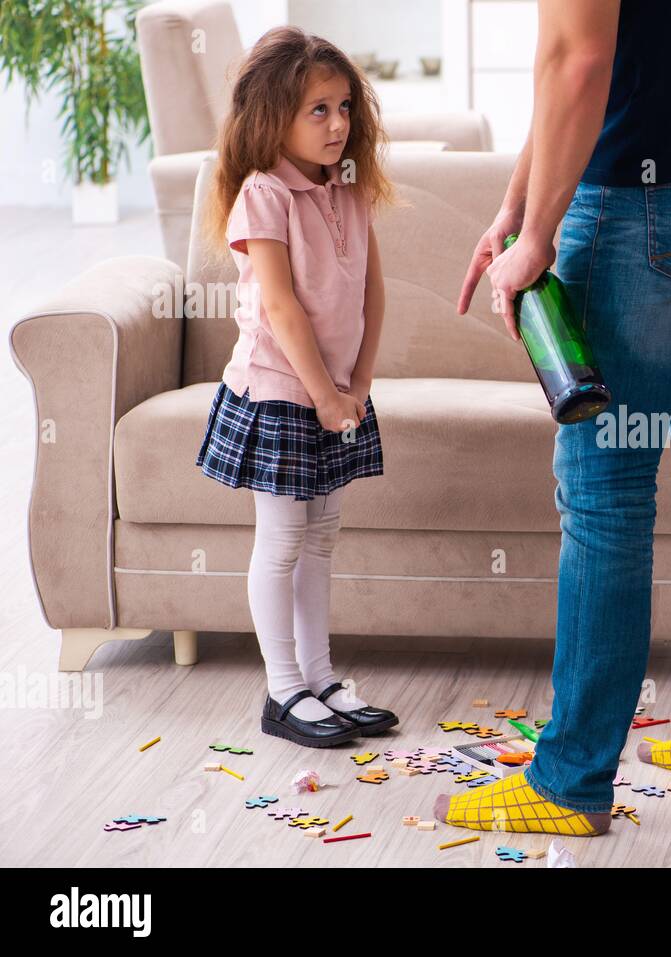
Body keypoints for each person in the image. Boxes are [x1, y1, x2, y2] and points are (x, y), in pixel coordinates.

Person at [437, 0, 671, 834]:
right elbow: (585, 56)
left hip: (655, 191)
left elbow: (578, 63)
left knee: (605, 489)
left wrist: (537, 233)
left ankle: (570, 777)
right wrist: (518, 207)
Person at [195, 27, 400, 747]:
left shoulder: (351, 189)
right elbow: (281, 307)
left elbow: (374, 293)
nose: (338, 124)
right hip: (283, 391)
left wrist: (358, 384)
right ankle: (282, 690)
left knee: (323, 537)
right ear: (272, 115)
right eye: (318, 109)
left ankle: (321, 676)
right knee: (282, 540)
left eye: (344, 107)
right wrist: (323, 394)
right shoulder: (263, 195)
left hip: (338, 391)